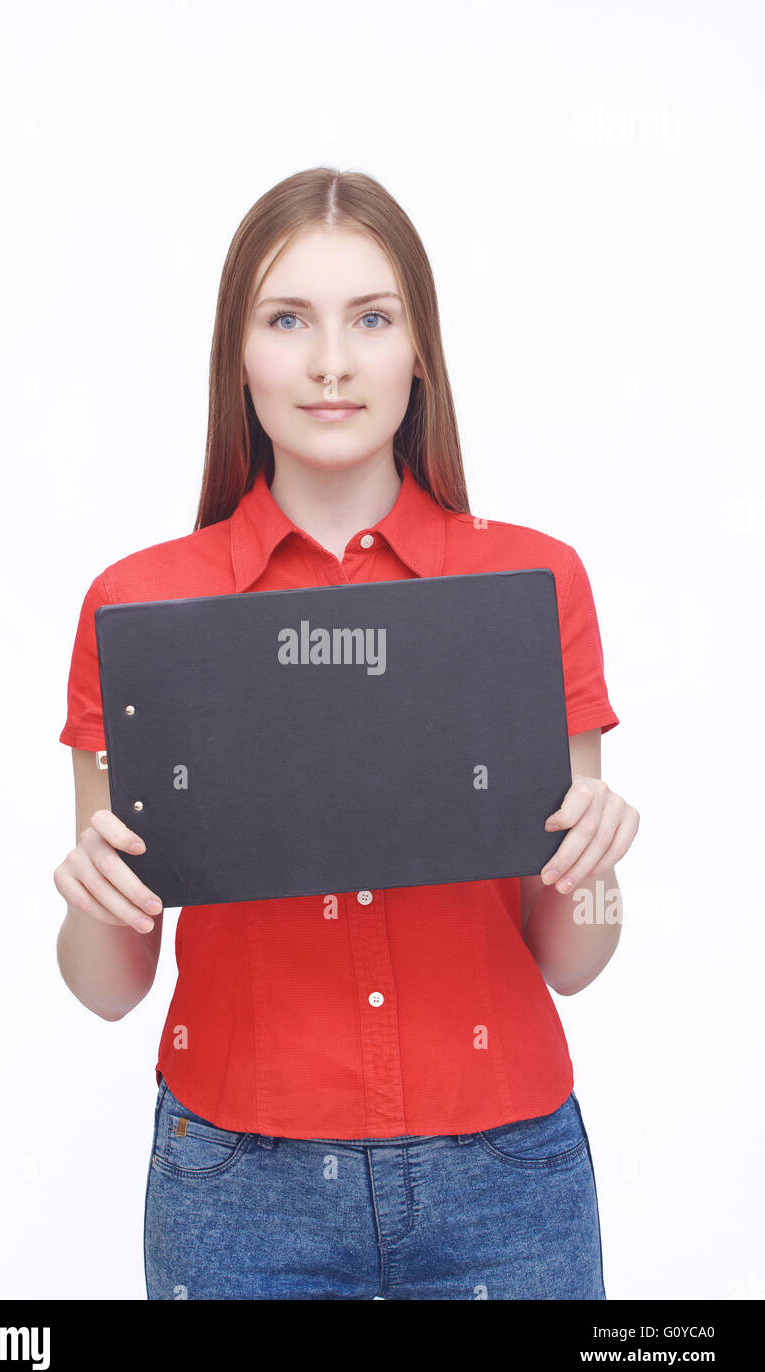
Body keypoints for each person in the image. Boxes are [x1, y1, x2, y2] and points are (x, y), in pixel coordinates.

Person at [54, 167, 640, 1300]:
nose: (331, 361)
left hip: (507, 1175)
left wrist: (601, 869)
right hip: (234, 1187)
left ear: (419, 351)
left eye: (370, 318)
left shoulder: (531, 583)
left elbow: (576, 956)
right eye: (288, 320)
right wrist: (84, 895)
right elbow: (107, 984)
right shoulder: (137, 611)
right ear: (239, 353)